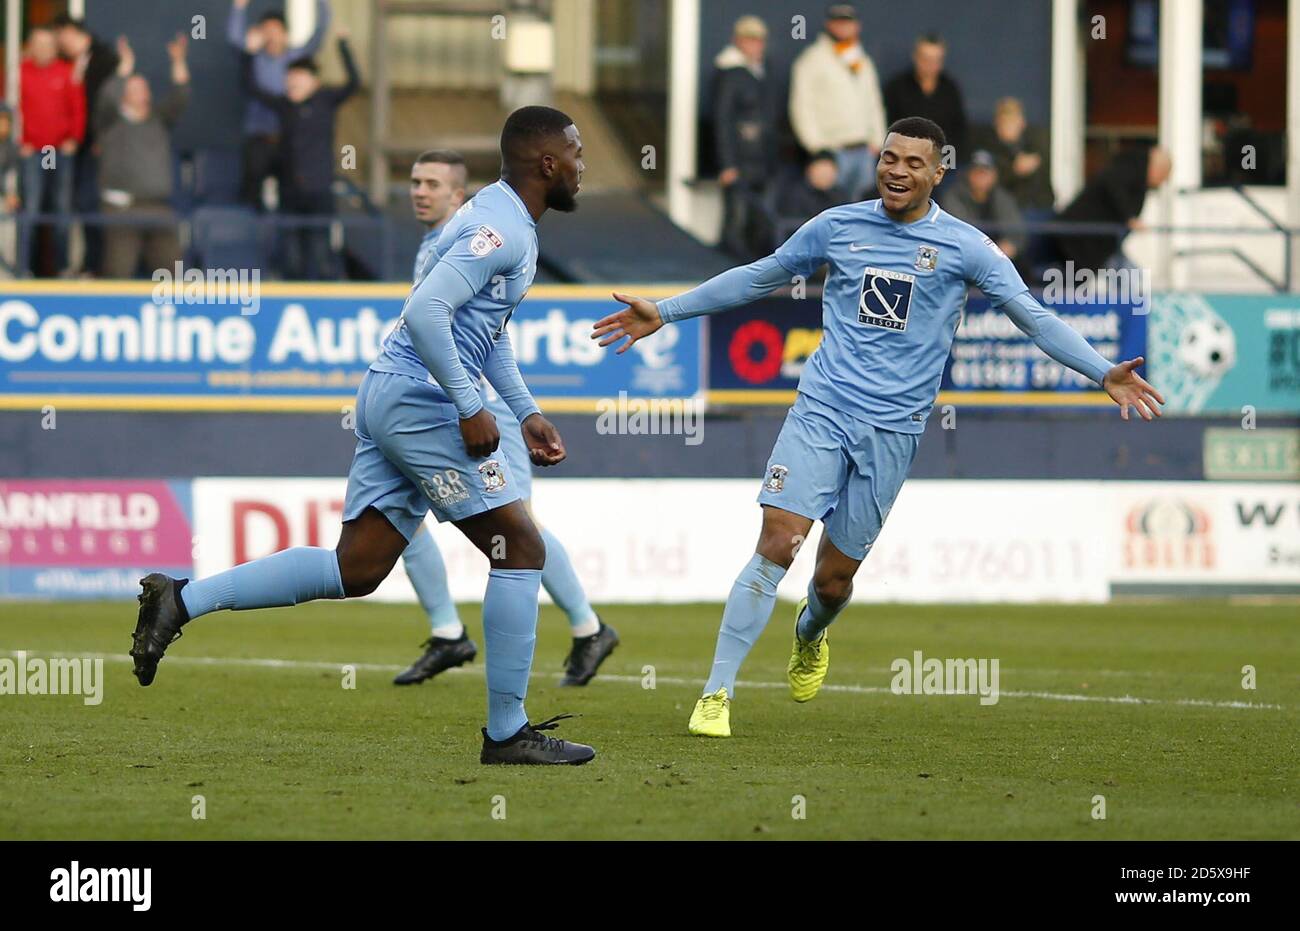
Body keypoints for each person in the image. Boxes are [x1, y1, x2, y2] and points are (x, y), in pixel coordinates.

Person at [592, 117, 1164, 738]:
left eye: (913, 163)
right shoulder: (839, 226)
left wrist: (1102, 371)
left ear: (938, 172)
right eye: (890, 158)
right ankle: (716, 694)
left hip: (893, 433)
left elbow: (1031, 315)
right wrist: (668, 311)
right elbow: (761, 274)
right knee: (780, 541)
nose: (897, 170)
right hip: (822, 408)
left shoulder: (967, 247)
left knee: (833, 582)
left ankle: (810, 634)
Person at [129, 106, 598, 766]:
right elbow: (427, 311)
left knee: (356, 567)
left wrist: (523, 409)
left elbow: (481, 332)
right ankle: (506, 733)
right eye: (577, 153)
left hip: (391, 392)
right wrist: (470, 405)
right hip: (419, 398)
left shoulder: (501, 216)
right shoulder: (502, 228)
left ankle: (181, 598)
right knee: (519, 545)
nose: (584, 165)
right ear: (548, 163)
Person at [394, 149, 618, 688]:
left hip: (479, 410)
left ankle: (588, 628)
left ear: (458, 194)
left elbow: (487, 333)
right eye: (414, 182)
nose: (419, 191)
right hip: (438, 406)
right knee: (397, 514)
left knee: (519, 528)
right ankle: (448, 633)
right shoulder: (438, 244)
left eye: (432, 184)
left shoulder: (483, 234)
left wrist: (515, 410)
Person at [244, 35, 358, 280]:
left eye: (298, 78)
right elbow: (252, 88)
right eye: (289, 79)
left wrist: (343, 46)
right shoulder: (284, 106)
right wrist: (251, 55)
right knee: (291, 255)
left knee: (320, 252)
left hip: (319, 191)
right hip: (289, 192)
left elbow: (354, 83)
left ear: (314, 81)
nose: (292, 83)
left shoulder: (326, 101)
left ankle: (325, 307)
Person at [95, 35, 190, 279]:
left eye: (142, 88)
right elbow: (106, 97)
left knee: (175, 273)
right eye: (132, 88)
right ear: (123, 93)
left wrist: (178, 60)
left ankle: (174, 315)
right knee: (118, 271)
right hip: (121, 208)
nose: (139, 92)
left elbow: (181, 96)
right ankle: (115, 317)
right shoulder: (110, 120)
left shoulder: (157, 120)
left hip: (157, 206)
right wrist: (125, 67)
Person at [227, 0, 332, 207]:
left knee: (291, 191)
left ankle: (284, 232)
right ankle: (253, 228)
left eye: (275, 30)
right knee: (252, 187)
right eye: (266, 31)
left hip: (291, 139)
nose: (271, 35)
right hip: (260, 136)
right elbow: (234, 40)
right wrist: (238, 8)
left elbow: (320, 31)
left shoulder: (297, 58)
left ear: (285, 33)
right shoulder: (254, 59)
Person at [788, 4, 886, 201]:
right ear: (829, 25)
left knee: (865, 213)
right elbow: (801, 107)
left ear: (857, 26)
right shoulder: (812, 59)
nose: (844, 27)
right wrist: (818, 149)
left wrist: (879, 140)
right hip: (832, 153)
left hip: (864, 152)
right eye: (839, 22)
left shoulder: (863, 60)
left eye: (848, 22)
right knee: (832, 212)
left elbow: (874, 102)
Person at [53, 14, 120, 276]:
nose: (61, 44)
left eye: (62, 38)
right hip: (75, 147)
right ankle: (81, 264)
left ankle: (97, 265)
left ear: (71, 32)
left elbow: (107, 105)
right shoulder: (67, 64)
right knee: (78, 204)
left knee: (93, 203)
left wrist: (100, 138)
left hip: (98, 148)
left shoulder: (105, 60)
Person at [18, 24, 85, 277]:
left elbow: (77, 108)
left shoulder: (66, 73)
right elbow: (11, 110)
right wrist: (20, 143)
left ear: (55, 48)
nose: (43, 49)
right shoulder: (19, 74)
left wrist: (74, 140)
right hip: (33, 151)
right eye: (38, 44)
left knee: (62, 209)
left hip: (59, 150)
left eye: (48, 44)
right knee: (31, 209)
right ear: (30, 47)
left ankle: (63, 269)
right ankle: (24, 268)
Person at [712, 15, 777, 261]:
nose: (754, 45)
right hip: (740, 161)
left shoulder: (760, 71)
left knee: (755, 221)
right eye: (748, 40)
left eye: (758, 40)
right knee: (736, 222)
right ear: (737, 41)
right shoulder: (730, 73)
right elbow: (723, 119)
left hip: (760, 161)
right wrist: (728, 164)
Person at [1052, 145, 1171, 272]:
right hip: (1085, 237)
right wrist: (1129, 217)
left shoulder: (1134, 170)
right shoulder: (1129, 169)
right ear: (1157, 169)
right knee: (1129, 280)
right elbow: (1113, 187)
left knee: (1129, 278)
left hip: (1097, 241)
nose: (1161, 183)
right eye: (1163, 177)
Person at [939, 149, 1027, 276]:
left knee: (1020, 268)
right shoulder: (953, 195)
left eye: (985, 173)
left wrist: (1010, 246)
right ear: (968, 173)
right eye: (977, 172)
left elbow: (1017, 234)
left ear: (994, 176)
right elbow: (961, 235)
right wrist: (990, 254)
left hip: (998, 260)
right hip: (962, 259)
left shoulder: (1001, 197)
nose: (981, 177)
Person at [883, 34, 967, 161]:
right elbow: (886, 127)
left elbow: (959, 129)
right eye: (925, 59)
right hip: (904, 163)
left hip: (942, 164)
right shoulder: (897, 88)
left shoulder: (950, 89)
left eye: (936, 60)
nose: (930, 65)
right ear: (915, 57)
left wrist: (947, 162)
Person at [979, 97, 1054, 213]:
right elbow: (985, 184)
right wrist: (1014, 171)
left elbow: (1046, 189)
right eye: (1004, 122)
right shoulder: (987, 149)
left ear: (1022, 123)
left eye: (1012, 121)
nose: (1008, 126)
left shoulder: (1033, 146)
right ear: (996, 123)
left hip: (1038, 207)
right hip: (1004, 213)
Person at [776, 150, 849, 231]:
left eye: (829, 172)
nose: (825, 176)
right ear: (810, 171)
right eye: (822, 172)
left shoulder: (840, 195)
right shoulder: (795, 196)